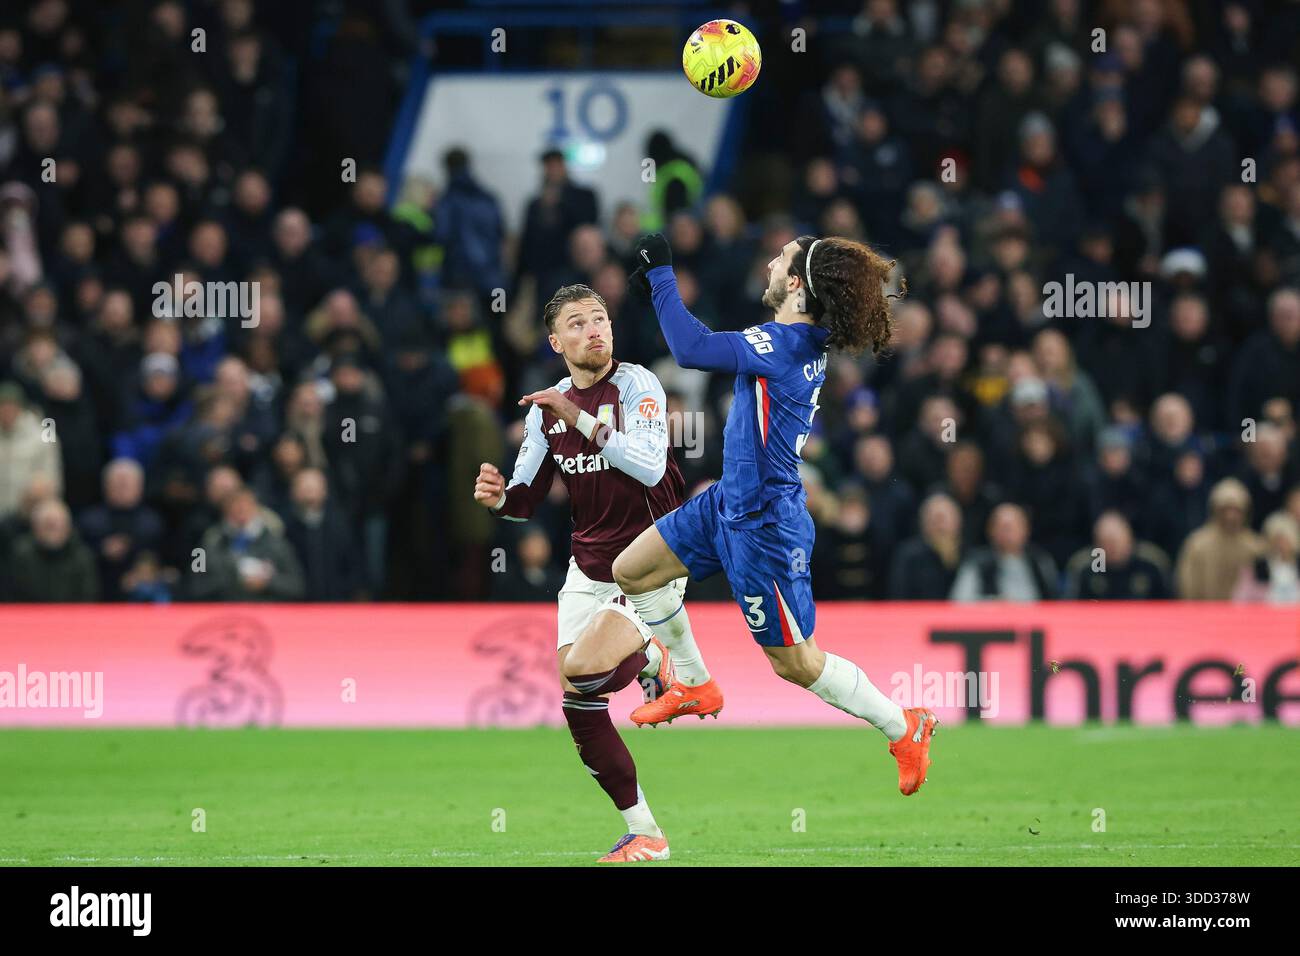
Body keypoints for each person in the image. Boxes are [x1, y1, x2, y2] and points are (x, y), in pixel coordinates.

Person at [613, 232, 939, 798]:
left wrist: (662, 274)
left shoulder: (785, 344)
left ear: (795, 283)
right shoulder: (795, 341)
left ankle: (902, 725)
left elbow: (692, 350)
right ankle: (693, 682)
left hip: (766, 526)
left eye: (781, 257)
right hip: (728, 506)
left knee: (795, 664)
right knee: (631, 571)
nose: (769, 261)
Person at [472, 283, 706, 863]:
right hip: (587, 568)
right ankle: (646, 832)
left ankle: (653, 654)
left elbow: (651, 469)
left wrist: (575, 416)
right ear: (556, 342)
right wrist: (500, 499)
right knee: (577, 699)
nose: (592, 329)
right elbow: (526, 498)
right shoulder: (547, 407)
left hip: (650, 560)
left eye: (599, 318)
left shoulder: (637, 384)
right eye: (576, 323)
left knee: (581, 666)